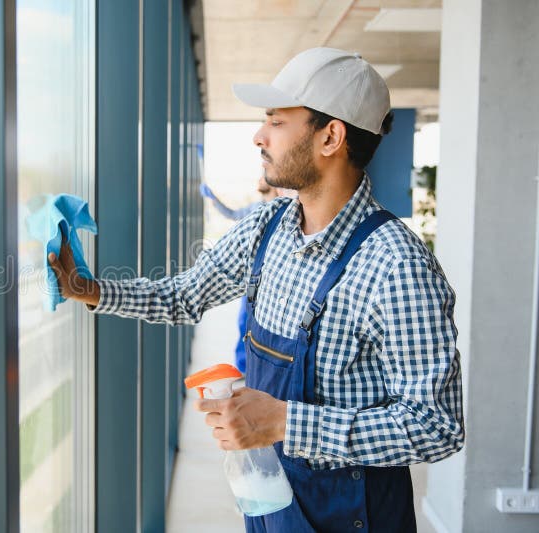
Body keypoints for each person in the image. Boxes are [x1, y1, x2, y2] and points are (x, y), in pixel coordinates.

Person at [48, 47, 464, 532]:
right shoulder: (266, 229)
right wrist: (86, 288)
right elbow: (184, 295)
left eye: (275, 121)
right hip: (272, 502)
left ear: (331, 136)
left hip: (356, 517)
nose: (258, 136)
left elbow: (438, 427)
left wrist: (288, 422)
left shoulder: (398, 267)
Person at [200, 177, 296, 374]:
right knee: (244, 323)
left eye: (263, 176)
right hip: (253, 280)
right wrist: (214, 199)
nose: (259, 180)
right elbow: (232, 214)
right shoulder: (256, 211)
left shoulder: (288, 214)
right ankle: (244, 369)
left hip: (275, 282)